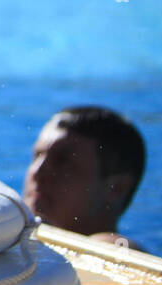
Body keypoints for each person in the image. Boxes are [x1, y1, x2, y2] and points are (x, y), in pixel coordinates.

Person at [23, 106, 146, 251]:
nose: (37, 172)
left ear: (117, 189)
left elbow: (119, 250)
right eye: (37, 156)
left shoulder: (116, 247)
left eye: (63, 161)